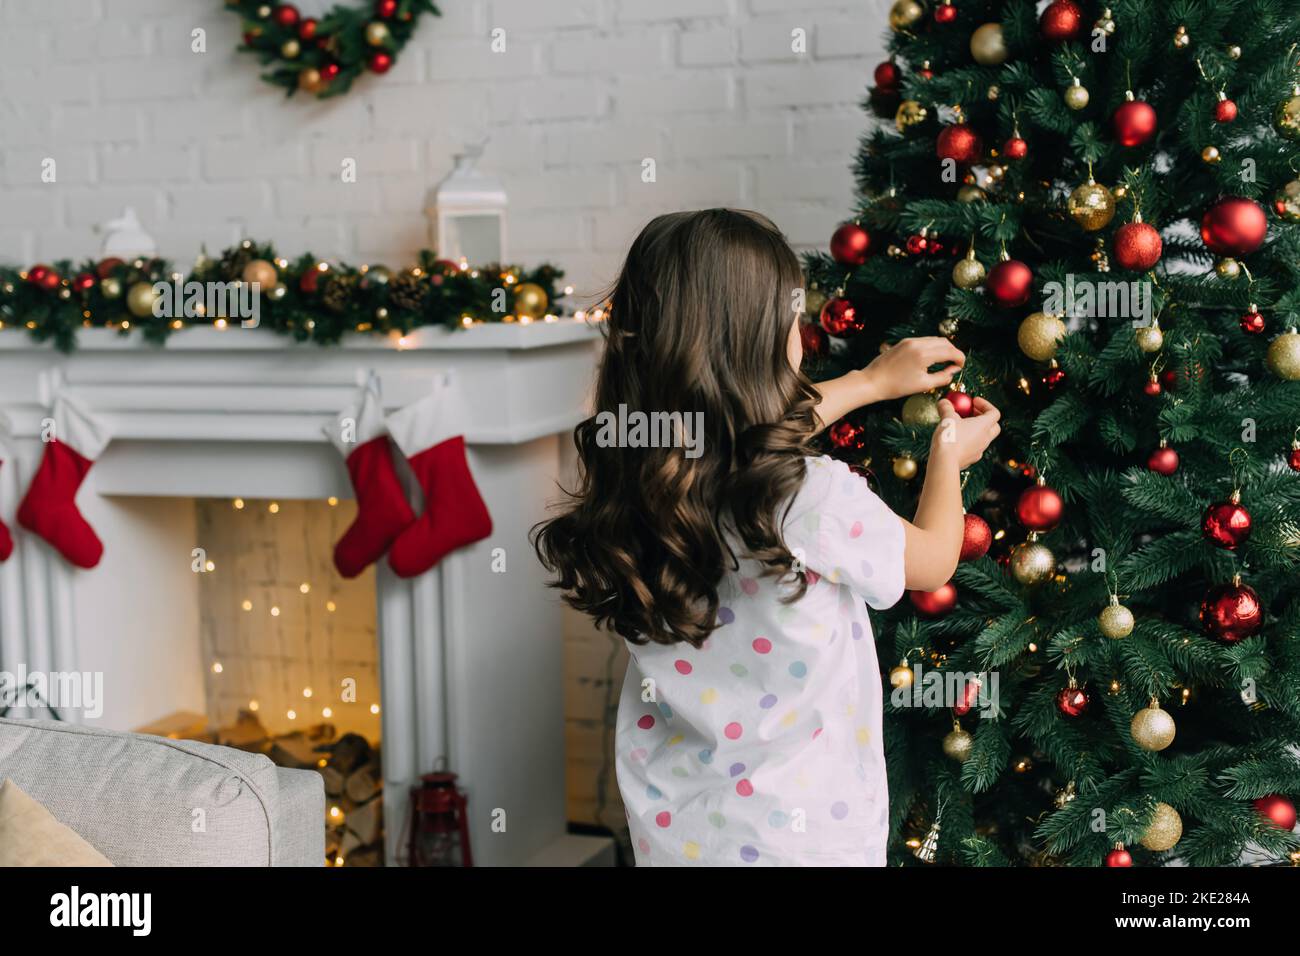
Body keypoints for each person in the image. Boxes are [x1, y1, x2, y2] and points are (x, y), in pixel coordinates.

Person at [533, 209, 1000, 865]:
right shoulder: (809, 493)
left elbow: (750, 432)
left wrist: (868, 383)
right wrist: (948, 455)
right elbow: (929, 561)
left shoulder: (639, 468)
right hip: (803, 833)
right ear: (759, 341)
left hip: (681, 825)